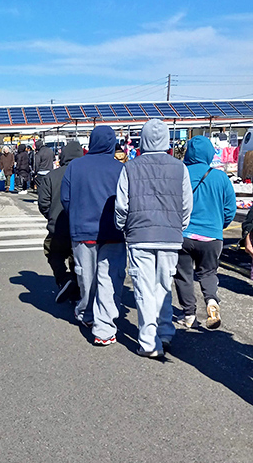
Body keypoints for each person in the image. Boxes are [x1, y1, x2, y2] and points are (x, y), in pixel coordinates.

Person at [115, 119, 192, 358]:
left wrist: (123, 228)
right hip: (170, 235)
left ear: (143, 139)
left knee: (144, 289)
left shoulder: (130, 167)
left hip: (140, 236)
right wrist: (179, 227)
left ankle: (149, 342)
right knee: (163, 286)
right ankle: (165, 331)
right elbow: (186, 204)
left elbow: (121, 205)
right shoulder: (180, 167)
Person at [61, 127, 126, 345]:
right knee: (109, 281)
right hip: (113, 233)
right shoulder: (120, 169)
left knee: (86, 279)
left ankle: (86, 313)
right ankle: (104, 329)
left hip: (82, 232)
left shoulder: (75, 166)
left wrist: (77, 217)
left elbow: (66, 199)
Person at [174, 135, 236, 330]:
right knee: (208, 272)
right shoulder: (220, 177)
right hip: (212, 236)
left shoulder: (179, 174)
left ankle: (189, 314)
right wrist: (219, 226)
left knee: (183, 275)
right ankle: (211, 301)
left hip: (184, 234)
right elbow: (230, 209)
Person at [38, 141, 85, 301]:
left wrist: (51, 215)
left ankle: (63, 279)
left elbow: (43, 202)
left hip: (58, 226)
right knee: (77, 258)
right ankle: (77, 287)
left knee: (53, 253)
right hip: (81, 227)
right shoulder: (85, 174)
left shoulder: (52, 176)